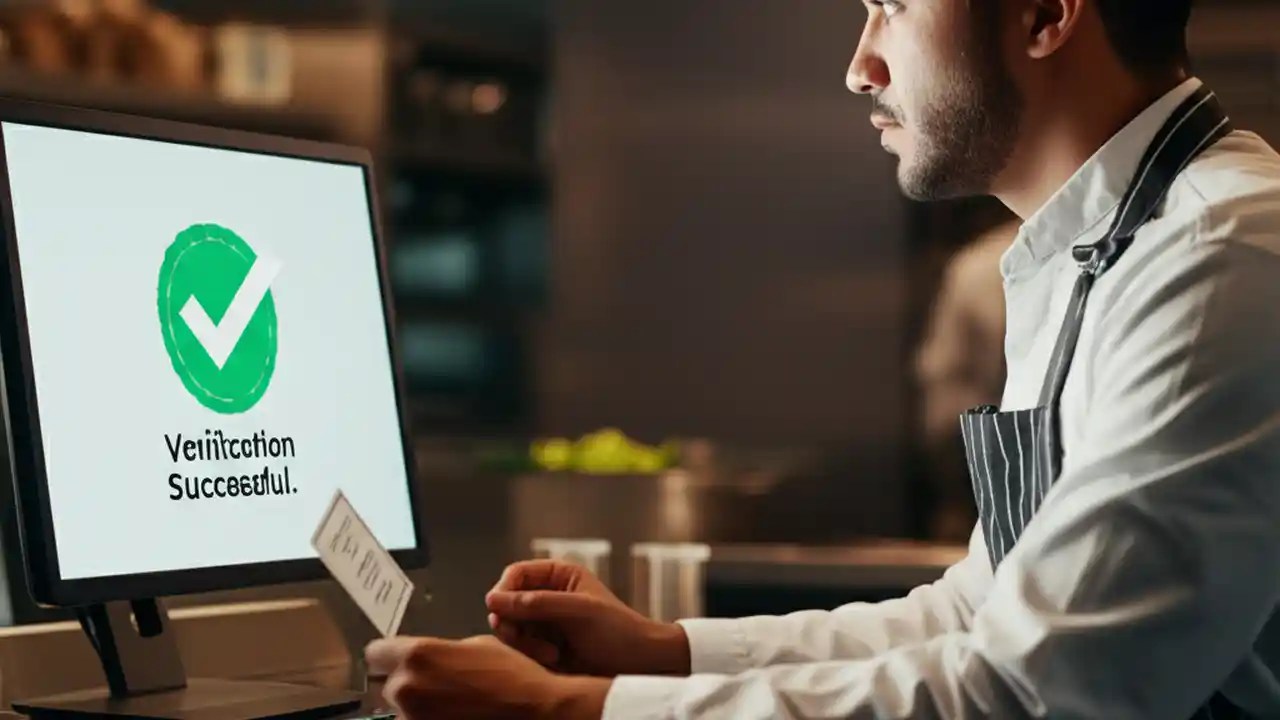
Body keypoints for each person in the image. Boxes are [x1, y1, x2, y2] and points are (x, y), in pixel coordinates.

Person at [366, 0, 1280, 717]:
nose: (859, 66)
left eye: (892, 7)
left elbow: (1044, 690)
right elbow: (981, 613)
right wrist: (665, 652)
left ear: (1045, 13)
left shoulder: (1213, 256)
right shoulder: (1100, 246)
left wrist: (581, 710)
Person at [915, 217, 1020, 540]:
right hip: (986, 469)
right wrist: (954, 501)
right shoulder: (979, 267)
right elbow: (945, 386)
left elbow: (943, 390)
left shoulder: (978, 266)